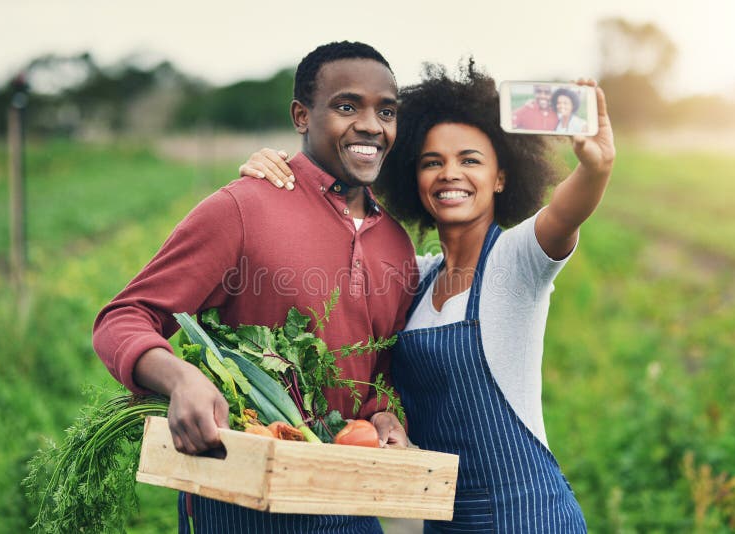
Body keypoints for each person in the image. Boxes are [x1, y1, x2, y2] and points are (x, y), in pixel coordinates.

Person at [240, 59, 615, 532]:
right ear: (414, 181)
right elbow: (324, 247)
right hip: (444, 519)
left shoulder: (518, 261)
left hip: (530, 514)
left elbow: (565, 213)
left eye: (470, 160)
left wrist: (595, 169)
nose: (449, 174)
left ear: (501, 178)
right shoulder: (410, 276)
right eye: (432, 162)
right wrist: (278, 177)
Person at [93, 41, 417, 534]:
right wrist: (181, 379)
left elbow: (379, 379)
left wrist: (387, 419)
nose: (372, 124)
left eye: (386, 111)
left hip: (350, 506)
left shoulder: (396, 243)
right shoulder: (242, 209)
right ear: (301, 116)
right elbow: (124, 317)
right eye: (347, 106)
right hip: (239, 501)